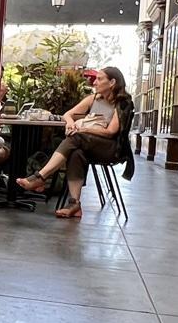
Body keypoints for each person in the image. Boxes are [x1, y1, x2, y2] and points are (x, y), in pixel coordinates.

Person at [18, 64, 129, 218]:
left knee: (76, 137)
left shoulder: (123, 103)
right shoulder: (93, 98)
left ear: (112, 83)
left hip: (110, 149)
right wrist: (70, 123)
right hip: (89, 142)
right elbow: (67, 114)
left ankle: (40, 177)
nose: (94, 82)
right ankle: (74, 204)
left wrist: (82, 129)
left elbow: (111, 132)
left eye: (99, 79)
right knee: (76, 152)